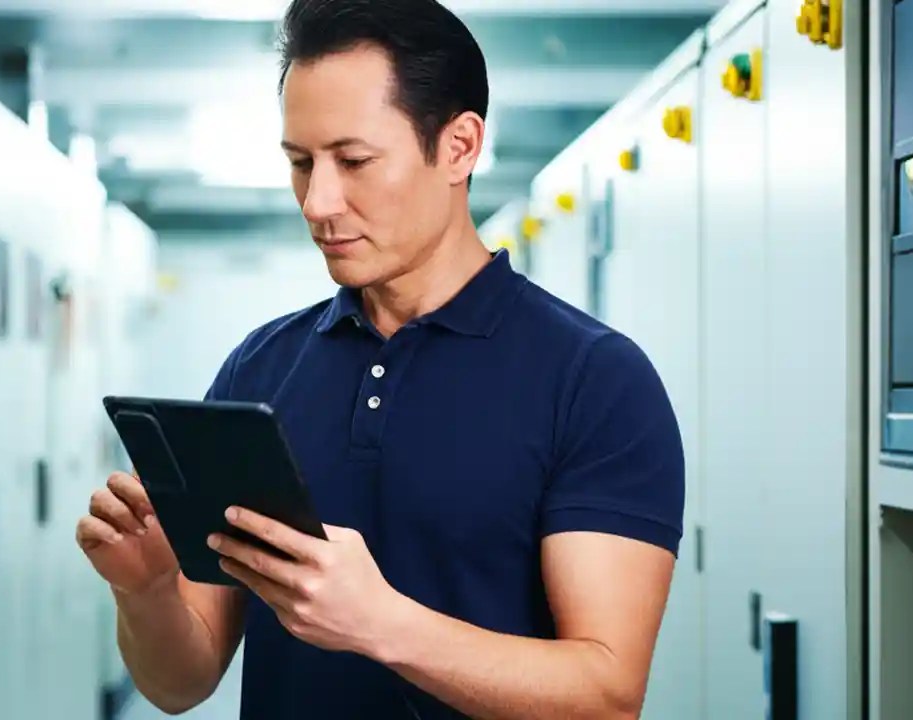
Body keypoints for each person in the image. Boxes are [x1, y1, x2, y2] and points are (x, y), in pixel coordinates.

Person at [75, 0, 684, 718]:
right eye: (300, 163)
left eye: (354, 161)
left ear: (459, 147)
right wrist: (144, 591)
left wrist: (380, 624)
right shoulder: (260, 371)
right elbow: (183, 682)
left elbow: (607, 696)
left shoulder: (595, 381)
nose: (317, 201)